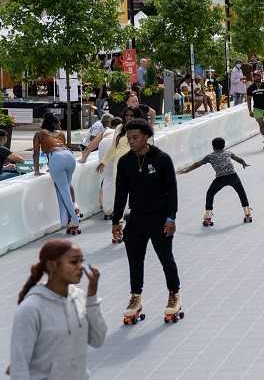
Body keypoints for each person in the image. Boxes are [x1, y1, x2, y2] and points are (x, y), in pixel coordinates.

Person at [112, 119, 183, 324]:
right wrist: (116, 220)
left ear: (146, 137)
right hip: (135, 219)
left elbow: (172, 191)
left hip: (160, 218)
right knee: (135, 261)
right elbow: (120, 193)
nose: (131, 141)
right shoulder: (125, 162)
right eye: (129, 138)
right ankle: (136, 297)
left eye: (135, 138)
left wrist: (171, 217)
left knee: (165, 258)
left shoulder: (162, 159)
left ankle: (174, 293)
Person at [9, 239, 106, 380]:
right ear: (52, 265)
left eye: (81, 261)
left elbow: (98, 340)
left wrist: (92, 297)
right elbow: (19, 367)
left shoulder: (79, 297)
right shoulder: (31, 309)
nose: (81, 267)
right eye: (74, 262)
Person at [178, 137, 252, 226]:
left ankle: (208, 217)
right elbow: (238, 159)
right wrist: (243, 163)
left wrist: (187, 171)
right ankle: (247, 214)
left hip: (220, 179)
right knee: (241, 193)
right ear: (224, 145)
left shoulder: (210, 156)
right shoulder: (228, 152)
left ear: (213, 146)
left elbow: (197, 164)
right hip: (233, 177)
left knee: (210, 194)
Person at [33, 113, 80, 235]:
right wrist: (52, 167)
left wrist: (37, 170)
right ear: (53, 123)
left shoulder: (39, 134)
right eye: (58, 122)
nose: (60, 124)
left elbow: (36, 153)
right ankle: (65, 220)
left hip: (56, 157)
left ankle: (75, 220)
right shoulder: (60, 134)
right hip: (69, 157)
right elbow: (62, 148)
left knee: (63, 191)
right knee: (64, 188)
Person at [97, 110, 139, 225]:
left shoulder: (139, 127)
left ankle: (132, 213)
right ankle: (119, 219)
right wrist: (104, 162)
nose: (129, 117)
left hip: (134, 163)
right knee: (120, 191)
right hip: (119, 164)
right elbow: (113, 147)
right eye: (127, 115)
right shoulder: (119, 128)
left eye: (131, 115)